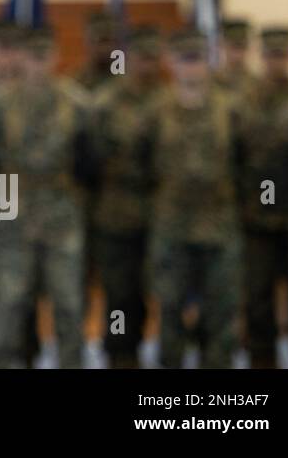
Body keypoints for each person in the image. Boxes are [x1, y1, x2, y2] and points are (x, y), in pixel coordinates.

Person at [0, 26, 95, 368]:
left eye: (45, 56)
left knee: (69, 303)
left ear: (55, 57)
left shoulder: (77, 104)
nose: (38, 64)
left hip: (61, 214)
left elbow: (90, 161)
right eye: (32, 56)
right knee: (9, 303)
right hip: (13, 213)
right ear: (21, 59)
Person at [147, 28, 245, 368]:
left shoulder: (231, 110)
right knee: (170, 304)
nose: (192, 68)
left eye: (198, 59)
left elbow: (248, 162)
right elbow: (139, 164)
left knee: (221, 306)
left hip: (218, 222)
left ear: (208, 61)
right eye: (184, 60)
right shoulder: (156, 110)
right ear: (171, 62)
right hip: (172, 222)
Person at [90, 24, 162, 368]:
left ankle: (150, 345)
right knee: (119, 292)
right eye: (140, 57)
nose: (146, 65)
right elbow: (87, 160)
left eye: (152, 58)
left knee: (155, 290)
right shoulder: (106, 104)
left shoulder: (169, 100)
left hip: (161, 213)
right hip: (116, 212)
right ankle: (120, 350)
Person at [239, 26, 288, 367]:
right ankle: (262, 357)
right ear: (261, 57)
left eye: (281, 55)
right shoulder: (242, 103)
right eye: (270, 55)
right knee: (258, 295)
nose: (275, 62)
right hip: (256, 216)